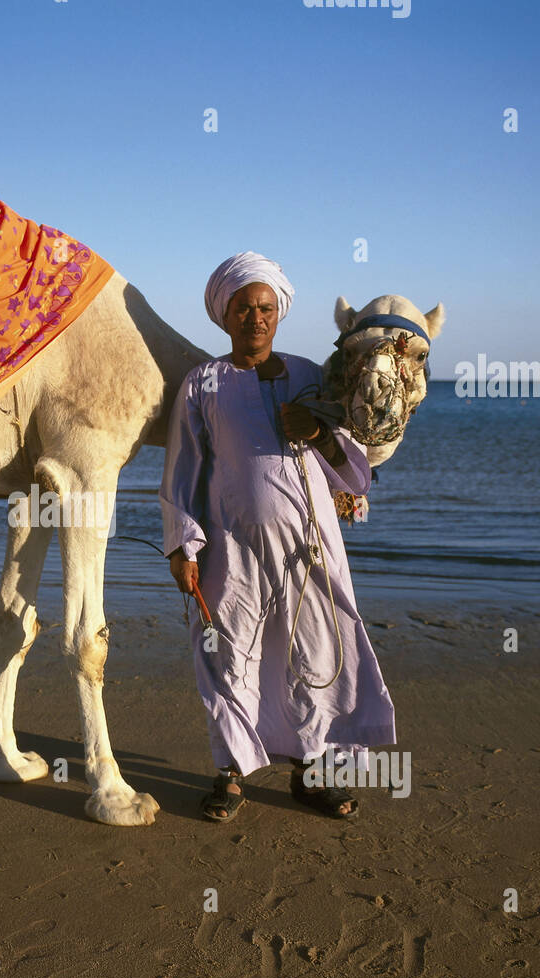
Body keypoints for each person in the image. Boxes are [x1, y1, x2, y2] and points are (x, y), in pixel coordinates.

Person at [160, 252, 396, 823]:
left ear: (280, 313)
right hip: (231, 553)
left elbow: (358, 469)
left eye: (266, 308)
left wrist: (318, 431)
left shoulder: (311, 375)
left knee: (315, 654)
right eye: (243, 308)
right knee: (228, 656)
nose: (256, 318)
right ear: (224, 314)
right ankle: (231, 777)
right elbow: (182, 471)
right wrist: (181, 546)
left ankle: (310, 775)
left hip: (311, 548)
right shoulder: (203, 384)